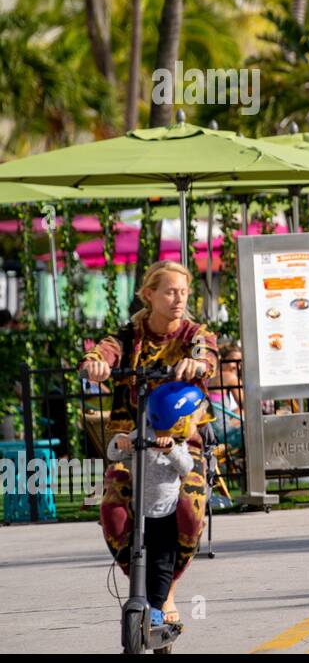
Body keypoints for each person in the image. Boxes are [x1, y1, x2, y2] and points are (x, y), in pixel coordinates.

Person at [80, 260, 217, 625]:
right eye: (170, 291)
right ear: (148, 294)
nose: (179, 299)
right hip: (133, 447)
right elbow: (104, 351)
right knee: (113, 512)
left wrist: (197, 363)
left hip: (181, 446)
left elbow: (207, 353)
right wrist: (95, 363)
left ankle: (165, 589)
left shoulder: (192, 333)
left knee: (189, 510)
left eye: (184, 292)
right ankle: (142, 588)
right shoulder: (129, 336)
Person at [103, 380, 209, 627]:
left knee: (162, 564)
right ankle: (142, 598)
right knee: (139, 557)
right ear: (178, 419)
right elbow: (113, 454)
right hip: (140, 514)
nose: (195, 424)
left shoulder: (177, 444)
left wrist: (170, 449)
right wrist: (120, 441)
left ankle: (157, 607)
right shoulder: (141, 436)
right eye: (192, 419)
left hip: (166, 515)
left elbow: (187, 466)